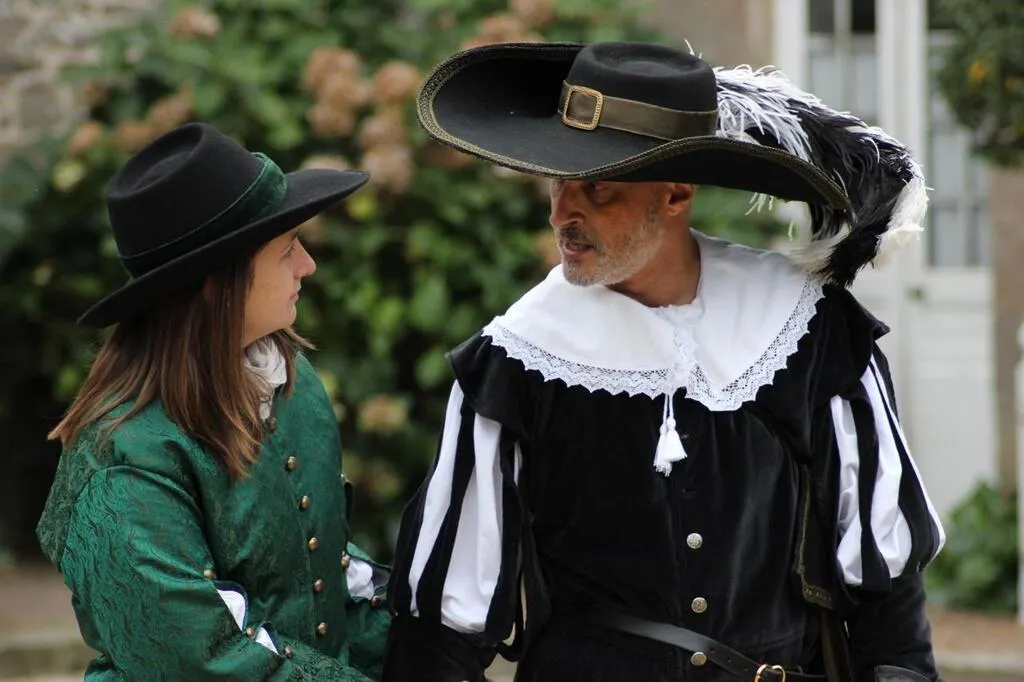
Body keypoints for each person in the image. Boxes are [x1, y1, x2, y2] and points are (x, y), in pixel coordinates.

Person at [382, 42, 946, 682]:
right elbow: (443, 623)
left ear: (676, 195)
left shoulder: (808, 332)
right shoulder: (512, 364)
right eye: (558, 182)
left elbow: (885, 583)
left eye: (598, 190)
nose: (565, 212)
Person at [36, 122, 390, 680]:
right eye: (287, 248)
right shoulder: (120, 458)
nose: (308, 266)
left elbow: (327, 578)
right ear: (214, 283)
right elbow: (201, 659)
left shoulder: (294, 383)